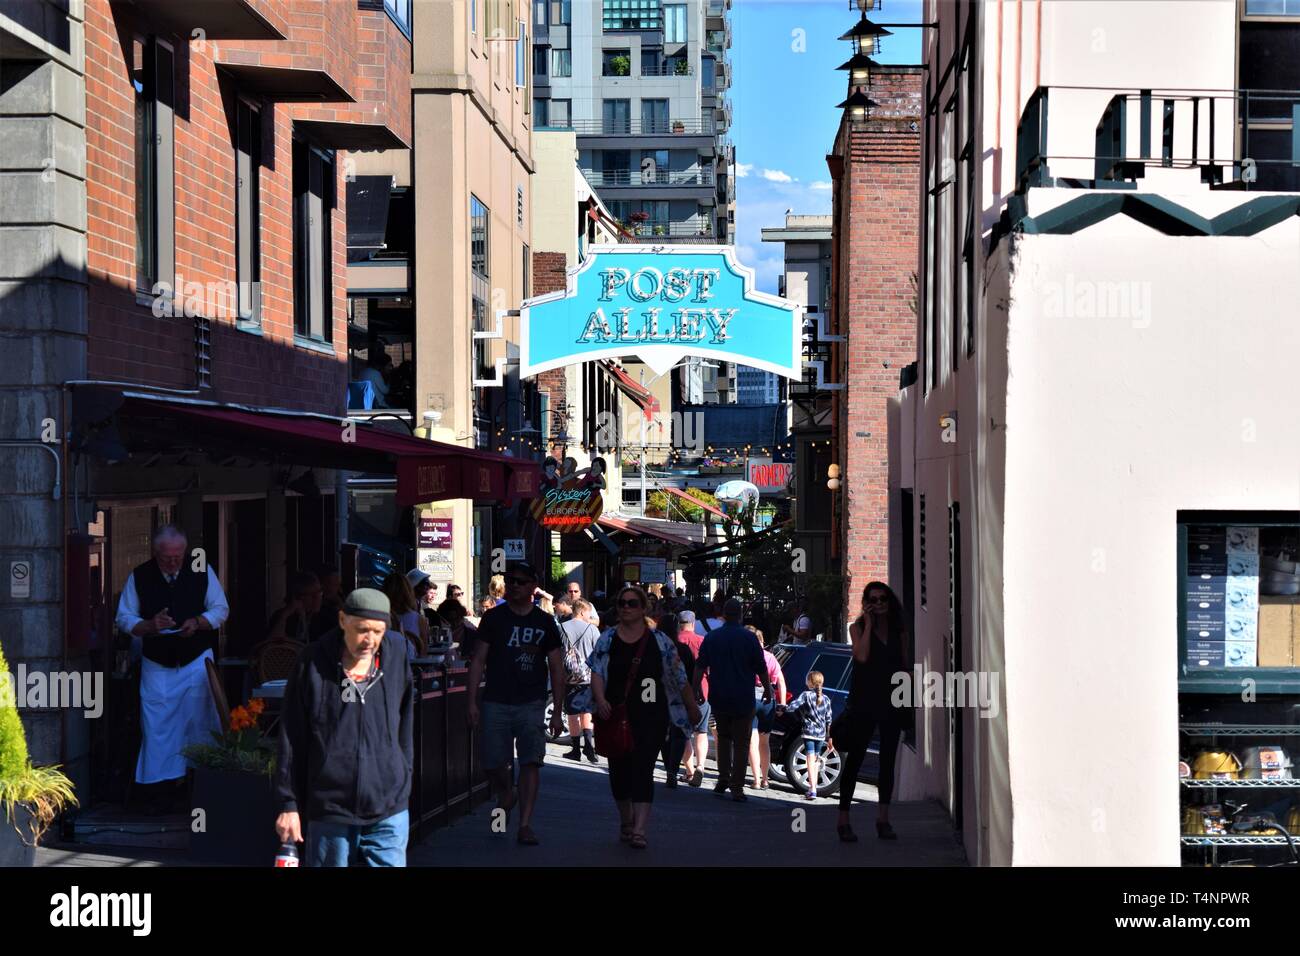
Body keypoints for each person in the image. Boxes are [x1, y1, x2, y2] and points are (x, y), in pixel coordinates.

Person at [274, 588, 414, 866]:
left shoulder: (396, 656)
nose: (370, 640)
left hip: (389, 803)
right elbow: (291, 736)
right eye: (362, 630)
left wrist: (403, 774)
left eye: (378, 631)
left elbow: (405, 722)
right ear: (342, 621)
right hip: (331, 805)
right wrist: (288, 804)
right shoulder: (312, 662)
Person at [115, 524, 229, 813]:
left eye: (178, 557)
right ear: (156, 553)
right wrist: (149, 625)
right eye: (167, 558)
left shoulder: (201, 569)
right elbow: (124, 617)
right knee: (157, 726)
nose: (173, 563)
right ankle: (160, 790)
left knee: (200, 721)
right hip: (158, 663)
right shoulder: (140, 575)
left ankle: (200, 785)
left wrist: (198, 622)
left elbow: (220, 609)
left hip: (195, 660)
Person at [584, 586, 701, 849]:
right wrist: (600, 699)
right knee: (618, 773)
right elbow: (597, 671)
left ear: (643, 608)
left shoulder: (660, 641)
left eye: (632, 603)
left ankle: (639, 829)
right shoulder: (608, 638)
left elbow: (679, 677)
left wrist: (692, 707)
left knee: (643, 770)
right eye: (622, 603)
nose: (626, 607)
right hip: (615, 714)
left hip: (651, 716)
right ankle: (626, 819)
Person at [467, 562, 566, 846]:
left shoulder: (545, 622)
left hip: (532, 702)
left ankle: (524, 824)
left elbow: (557, 668)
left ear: (533, 586)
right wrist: (471, 701)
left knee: (530, 762)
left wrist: (557, 712)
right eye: (510, 580)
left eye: (521, 581)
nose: (514, 585)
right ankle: (506, 793)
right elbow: (478, 660)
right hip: (495, 699)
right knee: (492, 762)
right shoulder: (493, 618)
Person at [835, 581, 910, 842]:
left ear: (890, 602)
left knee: (888, 761)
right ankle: (843, 820)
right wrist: (868, 624)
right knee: (855, 760)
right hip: (864, 703)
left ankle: (883, 819)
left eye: (883, 599)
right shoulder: (857, 628)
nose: (879, 604)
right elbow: (862, 656)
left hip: (891, 702)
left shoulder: (899, 631)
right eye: (873, 600)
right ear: (866, 603)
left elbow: (903, 665)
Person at [694, 598, 770, 802]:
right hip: (743, 697)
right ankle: (736, 786)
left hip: (719, 695)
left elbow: (700, 666)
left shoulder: (713, 637)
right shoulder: (749, 638)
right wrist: (768, 689)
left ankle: (723, 779)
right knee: (742, 742)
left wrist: (696, 689)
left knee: (724, 738)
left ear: (724, 615)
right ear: (741, 615)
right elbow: (761, 667)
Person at [662, 612, 710, 789]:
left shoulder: (656, 648)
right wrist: (696, 693)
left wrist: (647, 698)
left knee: (666, 735)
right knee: (689, 733)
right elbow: (694, 673)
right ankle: (697, 767)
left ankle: (677, 770)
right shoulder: (696, 643)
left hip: (661, 697)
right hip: (688, 695)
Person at [780, 671, 834, 800]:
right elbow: (829, 719)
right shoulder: (826, 699)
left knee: (810, 759)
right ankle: (813, 788)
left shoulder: (806, 695)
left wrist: (782, 708)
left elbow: (793, 706)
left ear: (809, 682)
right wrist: (830, 737)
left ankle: (812, 789)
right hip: (821, 735)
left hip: (809, 732)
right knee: (815, 760)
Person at [559, 599, 600, 763]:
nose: (590, 617)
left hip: (569, 678)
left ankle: (575, 749)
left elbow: (558, 652)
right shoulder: (592, 629)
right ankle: (589, 746)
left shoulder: (562, 627)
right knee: (587, 711)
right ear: (582, 611)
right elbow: (599, 653)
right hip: (588, 678)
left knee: (572, 713)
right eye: (589, 613)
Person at [747, 625, 787, 790]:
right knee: (765, 742)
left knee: (752, 741)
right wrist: (782, 704)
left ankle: (756, 780)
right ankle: (765, 779)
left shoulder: (747, 656)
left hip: (751, 697)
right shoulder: (771, 657)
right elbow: (781, 682)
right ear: (762, 642)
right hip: (768, 700)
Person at [266, 570, 323, 643]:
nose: (318, 599)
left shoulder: (323, 616)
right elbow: (273, 644)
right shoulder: (285, 616)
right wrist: (284, 615)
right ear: (298, 597)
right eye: (313, 595)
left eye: (319, 592)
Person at [383, 572, 428, 658]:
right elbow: (423, 655)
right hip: (412, 665)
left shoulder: (378, 618)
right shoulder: (419, 620)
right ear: (409, 592)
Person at [406, 569, 442, 633]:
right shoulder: (408, 604)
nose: (429, 586)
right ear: (417, 585)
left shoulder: (419, 603)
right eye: (426, 583)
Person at [314, 565, 343, 639]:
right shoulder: (317, 611)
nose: (339, 589)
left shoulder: (335, 605)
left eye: (338, 584)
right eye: (334, 584)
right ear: (322, 584)